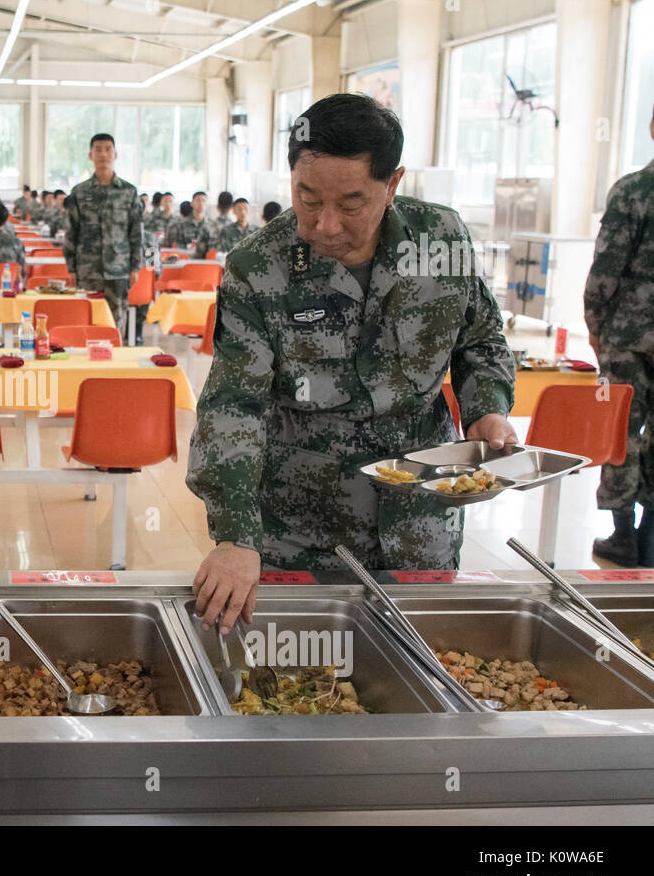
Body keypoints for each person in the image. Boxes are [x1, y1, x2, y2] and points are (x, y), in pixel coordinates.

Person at [187, 92, 516, 631]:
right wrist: (235, 536)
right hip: (301, 525)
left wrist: (487, 409)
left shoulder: (442, 240)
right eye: (307, 198)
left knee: (420, 676)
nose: (325, 225)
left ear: (393, 183)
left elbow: (480, 338)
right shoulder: (258, 267)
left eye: (351, 203)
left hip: (420, 518)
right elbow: (233, 406)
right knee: (293, 681)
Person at [585, 107, 654, 567]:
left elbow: (605, 272)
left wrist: (594, 326)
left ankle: (623, 535)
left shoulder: (634, 190)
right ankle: (651, 534)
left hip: (628, 337)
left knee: (620, 431)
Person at [62, 132, 142, 332]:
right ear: (90, 155)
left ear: (115, 154)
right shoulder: (79, 192)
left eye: (108, 149)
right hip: (88, 269)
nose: (103, 154)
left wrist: (135, 267)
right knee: (87, 321)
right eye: (98, 150)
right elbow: (71, 232)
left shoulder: (129, 192)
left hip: (119, 268)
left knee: (115, 324)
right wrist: (71, 268)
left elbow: (136, 233)